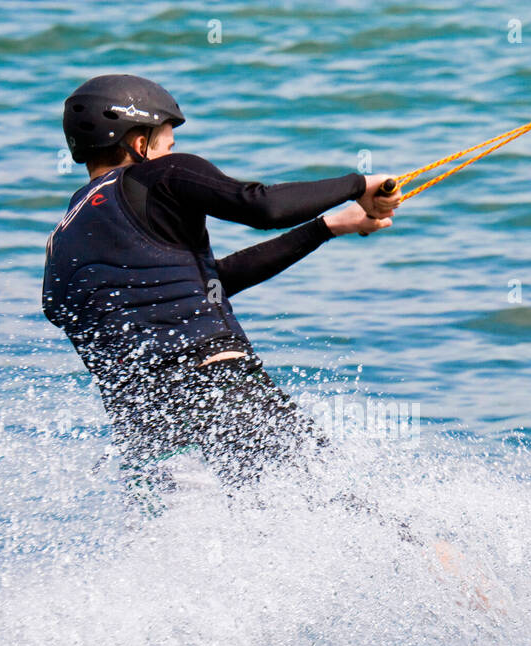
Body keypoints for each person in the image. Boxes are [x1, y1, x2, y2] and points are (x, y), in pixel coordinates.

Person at [42, 74, 401, 501]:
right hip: (220, 390)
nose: (168, 153)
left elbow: (203, 287)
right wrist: (358, 185)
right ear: (140, 145)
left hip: (147, 437)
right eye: (165, 143)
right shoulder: (161, 176)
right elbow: (263, 205)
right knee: (351, 520)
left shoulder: (59, 243)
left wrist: (326, 227)